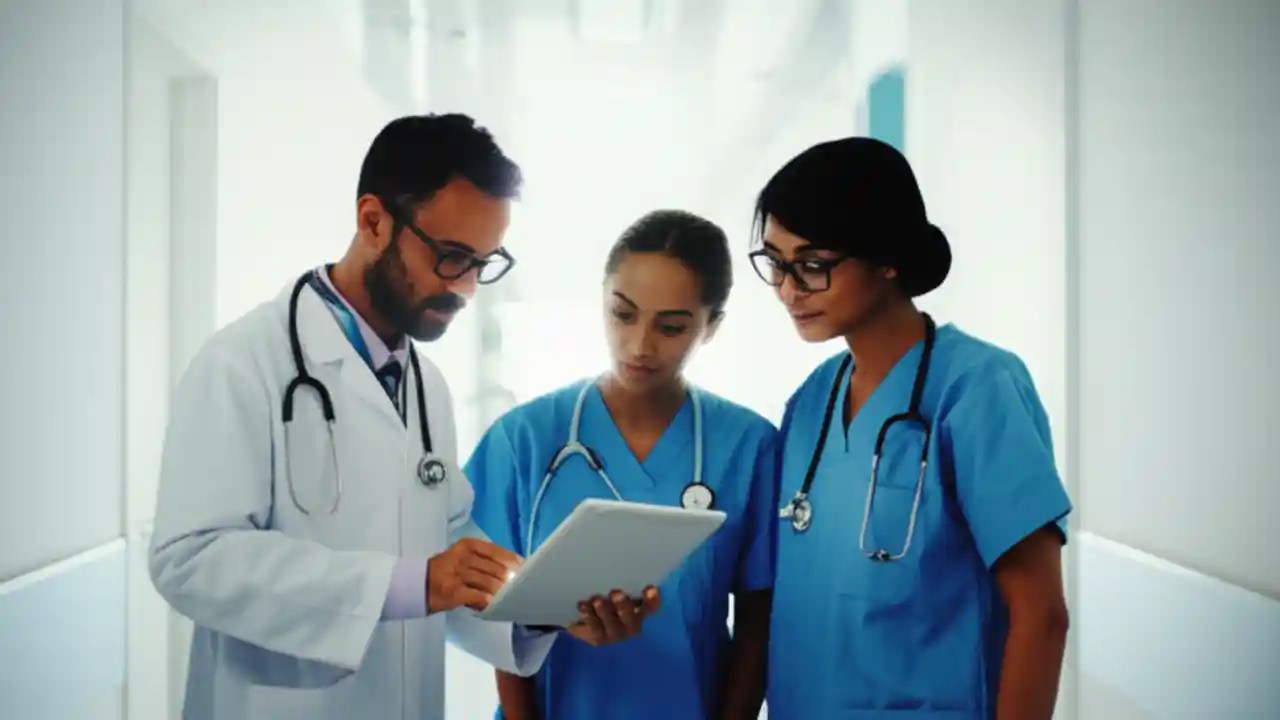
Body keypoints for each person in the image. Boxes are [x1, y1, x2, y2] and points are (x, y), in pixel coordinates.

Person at [148, 114, 659, 720]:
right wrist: (411, 584)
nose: (467, 288)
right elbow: (190, 558)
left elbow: (442, 541)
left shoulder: (426, 386)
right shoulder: (242, 361)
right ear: (373, 221)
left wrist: (539, 605)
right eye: (450, 257)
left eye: (484, 263)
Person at [749, 138, 1072, 719]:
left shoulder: (976, 389)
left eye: (814, 265)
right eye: (776, 262)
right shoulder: (810, 404)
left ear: (887, 258)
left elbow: (1041, 615)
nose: (789, 289)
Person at [463, 209, 778, 720]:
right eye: (623, 314)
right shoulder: (524, 439)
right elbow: (490, 609)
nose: (639, 346)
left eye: (672, 326)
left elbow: (757, 620)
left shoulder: (749, 446)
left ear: (712, 326)